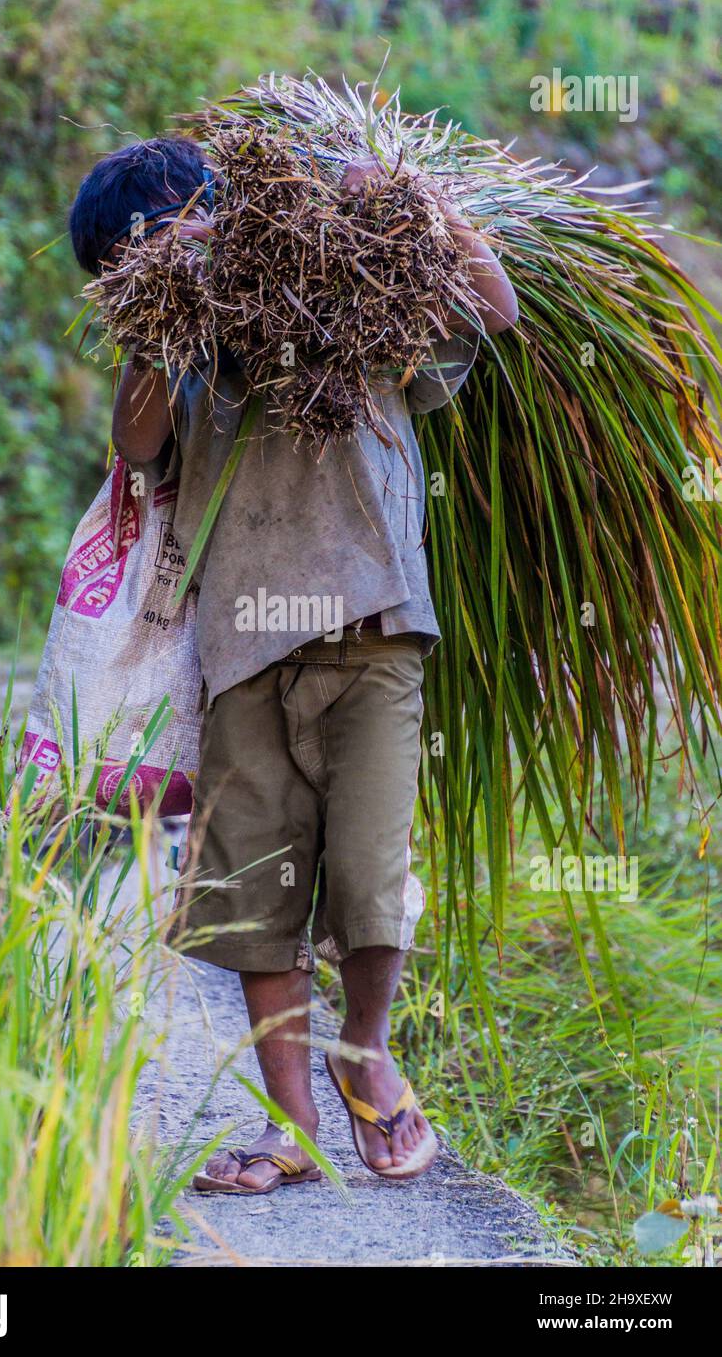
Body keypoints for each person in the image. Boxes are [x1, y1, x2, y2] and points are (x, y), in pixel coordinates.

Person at [69, 136, 519, 1193]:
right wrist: (152, 320)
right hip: (241, 651)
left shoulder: (352, 278)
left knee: (370, 882)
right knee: (256, 902)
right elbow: (137, 450)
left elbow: (491, 311)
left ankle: (368, 1058)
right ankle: (290, 1132)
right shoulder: (185, 351)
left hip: (375, 627)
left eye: (176, 233)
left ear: (224, 208)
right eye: (135, 260)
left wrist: (408, 199)